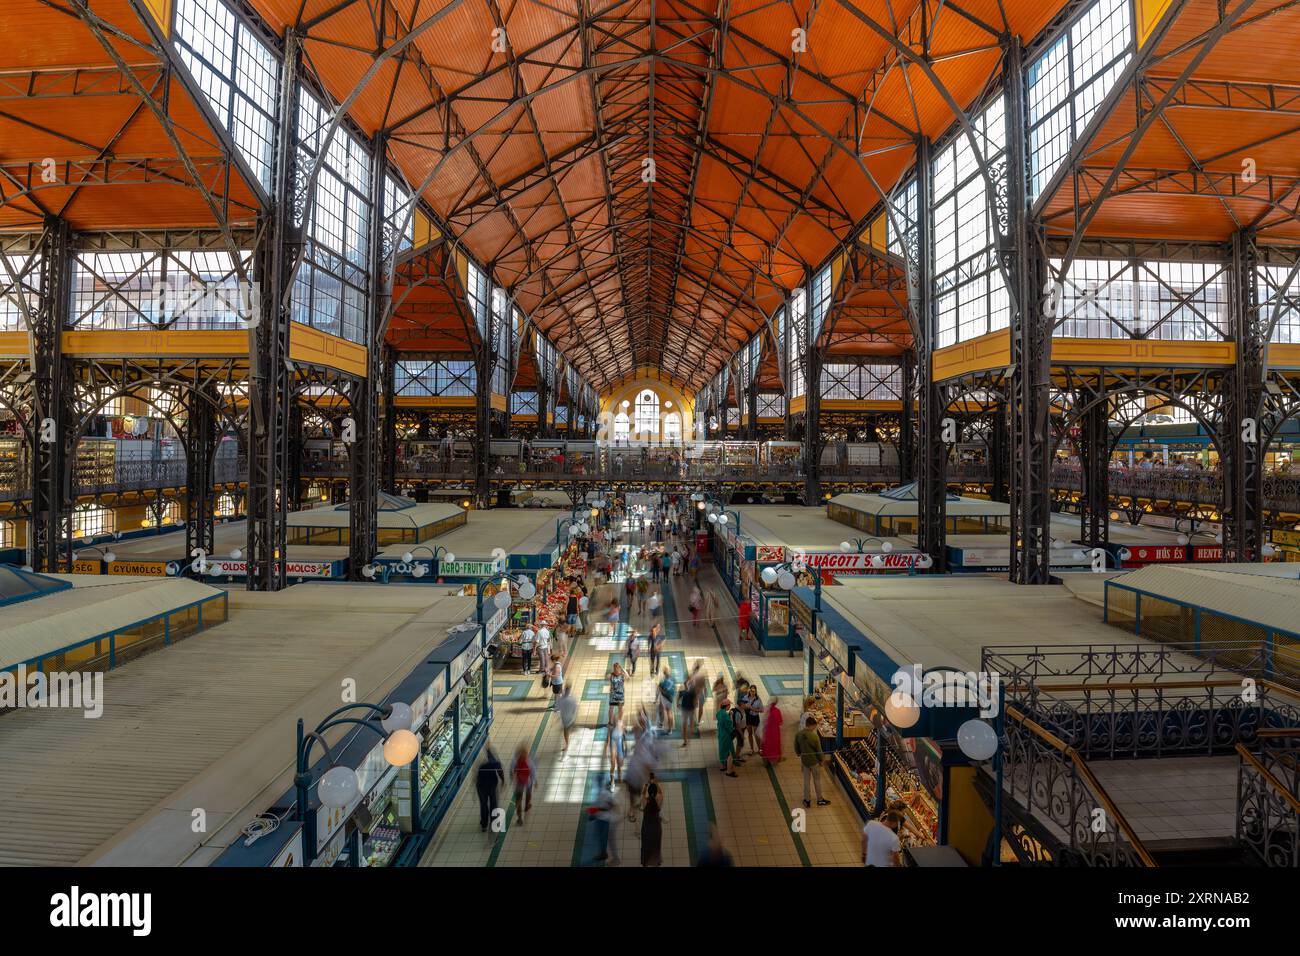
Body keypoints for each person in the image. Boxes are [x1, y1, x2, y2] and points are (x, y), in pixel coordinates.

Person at [795, 716, 831, 808]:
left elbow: (796, 747)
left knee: (806, 781)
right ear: (810, 725)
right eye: (814, 726)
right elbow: (819, 750)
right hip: (814, 762)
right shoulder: (814, 736)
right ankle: (820, 799)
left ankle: (807, 800)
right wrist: (822, 760)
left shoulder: (798, 734)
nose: (814, 728)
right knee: (817, 780)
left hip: (805, 761)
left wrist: (799, 753)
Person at [475, 747, 504, 833]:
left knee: (483, 805)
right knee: (493, 803)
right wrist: (503, 780)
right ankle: (494, 822)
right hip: (491, 786)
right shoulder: (494, 762)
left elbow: (476, 776)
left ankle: (484, 824)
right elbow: (500, 771)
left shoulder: (481, 763)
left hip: (481, 786)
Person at [640, 771, 664, 867]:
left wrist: (646, 785)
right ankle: (656, 863)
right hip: (656, 829)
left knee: (645, 846)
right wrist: (655, 782)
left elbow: (642, 794)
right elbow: (660, 792)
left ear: (648, 792)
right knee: (656, 846)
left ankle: (645, 863)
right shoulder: (658, 800)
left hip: (646, 828)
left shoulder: (644, 801)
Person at [511, 744, 537, 823]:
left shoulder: (515, 761)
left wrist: (513, 779)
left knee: (518, 799)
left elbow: (512, 772)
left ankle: (519, 818)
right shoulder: (529, 762)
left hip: (519, 783)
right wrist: (535, 781)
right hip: (528, 782)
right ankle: (527, 805)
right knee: (528, 793)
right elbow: (533, 773)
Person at [716, 699, 738, 776]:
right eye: (729, 705)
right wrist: (731, 716)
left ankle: (722, 766)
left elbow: (722, 721)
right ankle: (729, 771)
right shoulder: (725, 715)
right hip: (726, 736)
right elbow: (730, 726)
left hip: (720, 734)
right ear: (727, 706)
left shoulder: (719, 713)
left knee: (722, 750)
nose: (730, 707)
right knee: (729, 753)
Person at [555, 681, 577, 754]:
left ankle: (567, 745)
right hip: (571, 717)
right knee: (568, 729)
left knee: (566, 732)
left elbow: (557, 709)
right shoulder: (572, 698)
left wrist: (557, 718)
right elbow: (575, 709)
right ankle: (567, 743)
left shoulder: (561, 699)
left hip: (565, 719)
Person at [761, 696, 784, 764]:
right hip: (775, 731)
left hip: (767, 731)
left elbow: (763, 721)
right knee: (775, 744)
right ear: (776, 702)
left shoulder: (766, 710)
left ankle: (765, 760)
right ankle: (776, 759)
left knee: (767, 745)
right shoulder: (777, 711)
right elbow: (781, 722)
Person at [741, 684, 762, 756]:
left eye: (753, 691)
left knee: (756, 734)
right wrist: (746, 707)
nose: (752, 692)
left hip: (755, 717)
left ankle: (760, 749)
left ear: (756, 691)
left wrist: (753, 709)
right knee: (750, 733)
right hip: (748, 717)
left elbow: (762, 710)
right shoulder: (745, 697)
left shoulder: (758, 699)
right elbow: (742, 706)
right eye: (751, 690)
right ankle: (752, 749)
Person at [678, 666, 697, 744]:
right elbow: (680, 695)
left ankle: (689, 733)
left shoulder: (693, 687)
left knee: (689, 722)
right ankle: (685, 739)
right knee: (685, 723)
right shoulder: (684, 686)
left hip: (689, 707)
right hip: (686, 707)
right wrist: (677, 702)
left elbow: (695, 697)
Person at [606, 713, 626, 786]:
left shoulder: (621, 725)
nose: (616, 721)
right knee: (613, 764)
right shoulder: (611, 728)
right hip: (613, 743)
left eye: (617, 720)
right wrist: (607, 751)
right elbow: (608, 739)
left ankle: (620, 778)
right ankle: (612, 782)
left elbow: (624, 736)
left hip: (619, 743)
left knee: (620, 764)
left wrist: (625, 747)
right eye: (615, 720)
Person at [656, 666, 676, 733]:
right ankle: (670, 730)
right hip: (670, 698)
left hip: (663, 698)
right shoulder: (673, 679)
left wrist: (656, 699)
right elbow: (674, 688)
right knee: (669, 713)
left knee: (661, 710)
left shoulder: (662, 680)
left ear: (664, 673)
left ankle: (661, 723)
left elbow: (659, 690)